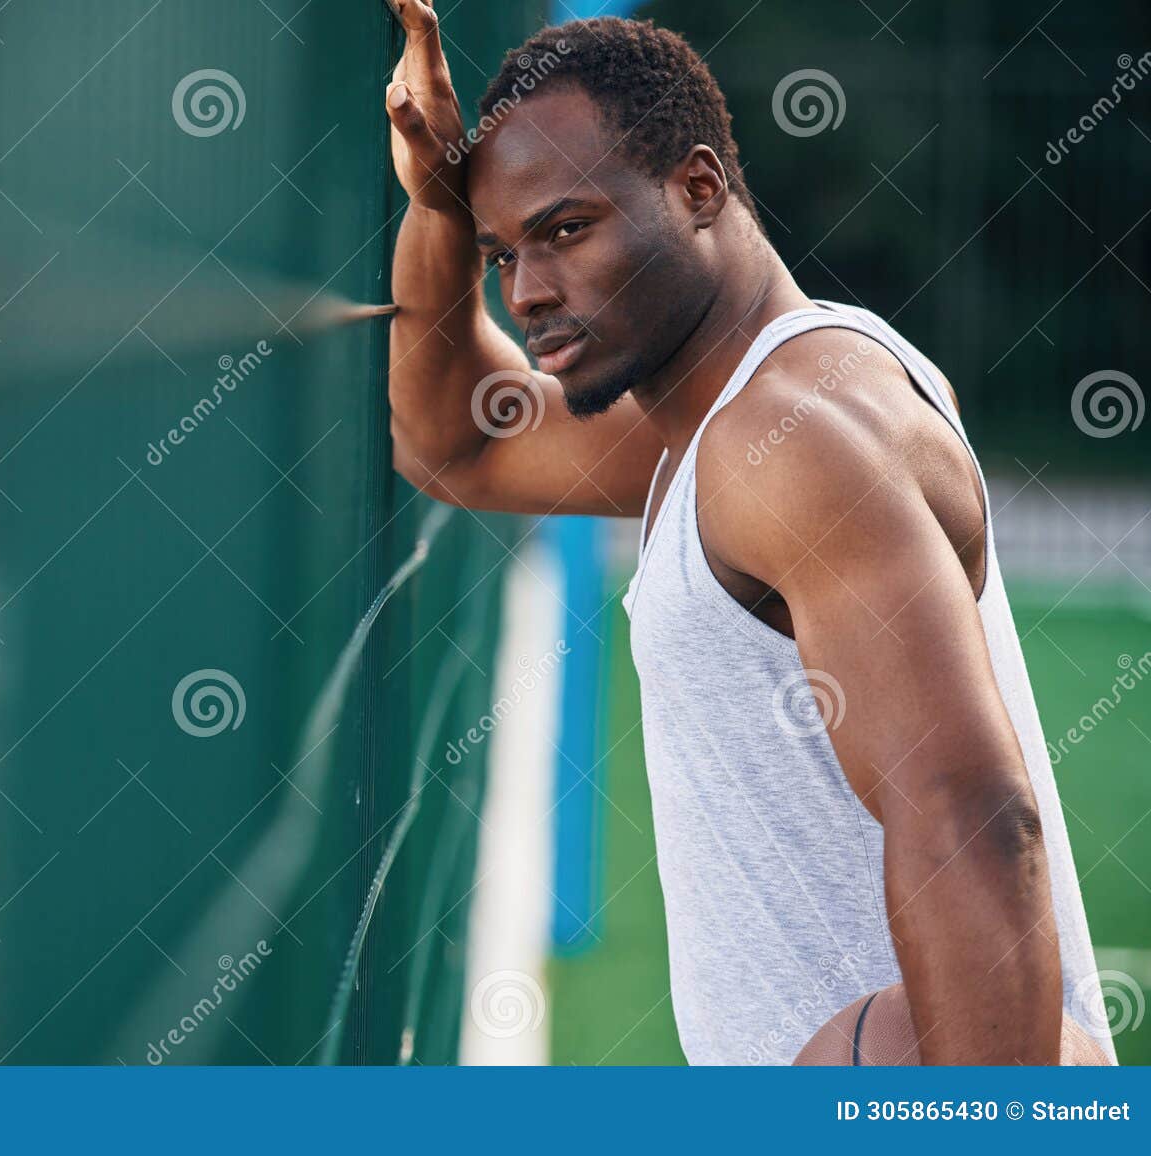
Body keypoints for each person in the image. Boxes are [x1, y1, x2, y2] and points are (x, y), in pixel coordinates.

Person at [381, 4, 1112, 1065]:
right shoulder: (728, 423)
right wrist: (439, 206)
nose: (529, 290)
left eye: (567, 229)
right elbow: (455, 443)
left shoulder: (789, 437)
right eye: (504, 252)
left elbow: (972, 821)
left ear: (697, 187)